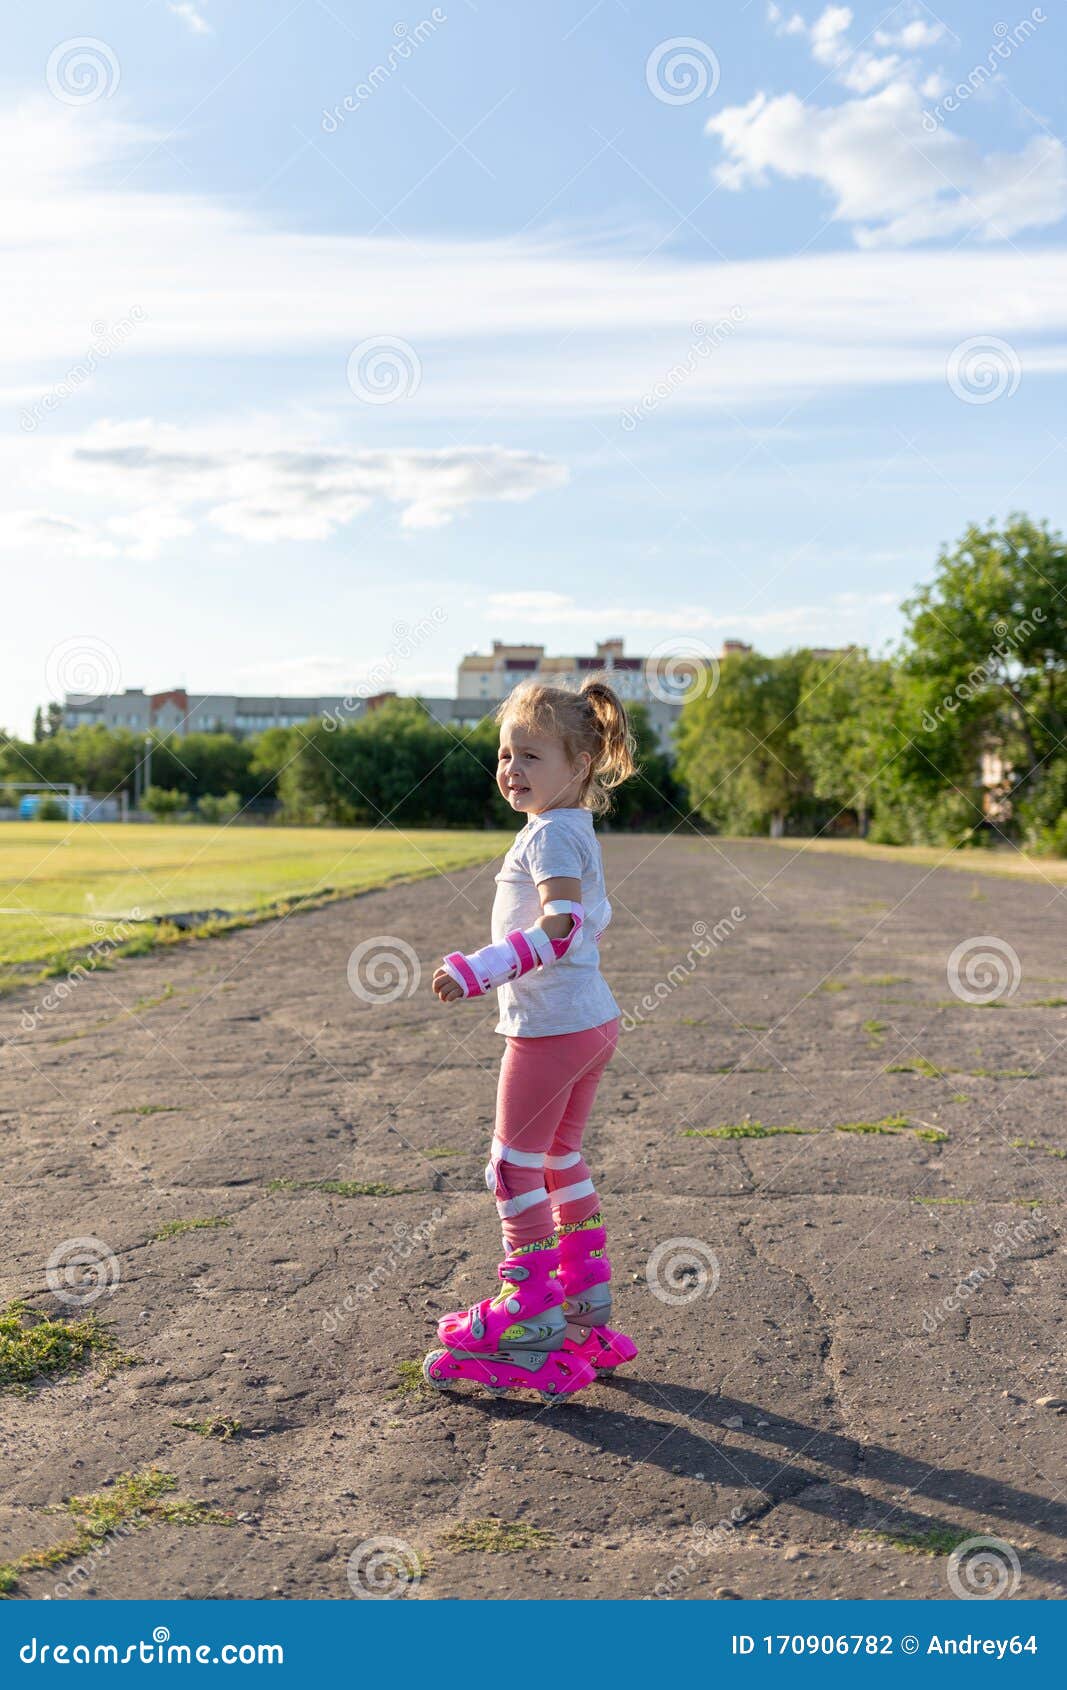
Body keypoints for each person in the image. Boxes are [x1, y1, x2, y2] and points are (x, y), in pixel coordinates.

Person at [423, 675, 639, 1400]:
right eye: (504, 753)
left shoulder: (548, 834)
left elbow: (564, 925)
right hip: (590, 1021)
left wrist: (480, 969)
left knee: (511, 1169)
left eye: (530, 755)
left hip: (549, 1028)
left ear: (578, 766)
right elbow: (595, 917)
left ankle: (530, 1317)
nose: (510, 769)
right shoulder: (573, 829)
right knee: (557, 1159)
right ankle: (585, 1304)